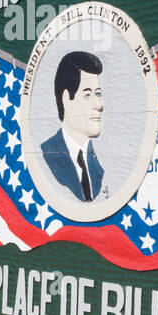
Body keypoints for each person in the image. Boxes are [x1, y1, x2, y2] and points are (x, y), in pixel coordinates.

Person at [40, 51, 105, 202]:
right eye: (87, 95)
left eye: (98, 94)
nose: (99, 105)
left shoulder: (97, 161)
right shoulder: (48, 153)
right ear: (66, 100)